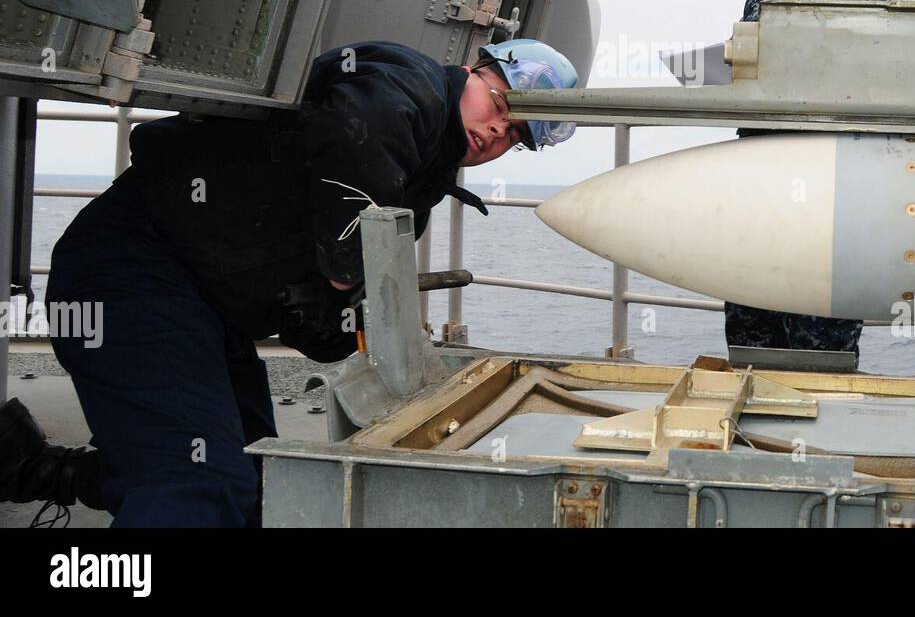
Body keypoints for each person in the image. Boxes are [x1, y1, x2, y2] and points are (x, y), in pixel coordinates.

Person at [0, 38, 578, 526]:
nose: (498, 128)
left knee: (255, 476)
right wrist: (343, 273)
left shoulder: (414, 189)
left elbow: (325, 322)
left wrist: (333, 314)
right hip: (131, 273)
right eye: (501, 103)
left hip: (203, 305)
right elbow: (367, 125)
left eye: (516, 135)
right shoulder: (413, 82)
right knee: (193, 484)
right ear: (475, 70)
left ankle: (36, 469)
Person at [724, 0, 894, 365]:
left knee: (820, 364)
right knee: (749, 349)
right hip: (759, 207)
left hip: (827, 215)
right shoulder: (758, 2)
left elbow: (883, 100)